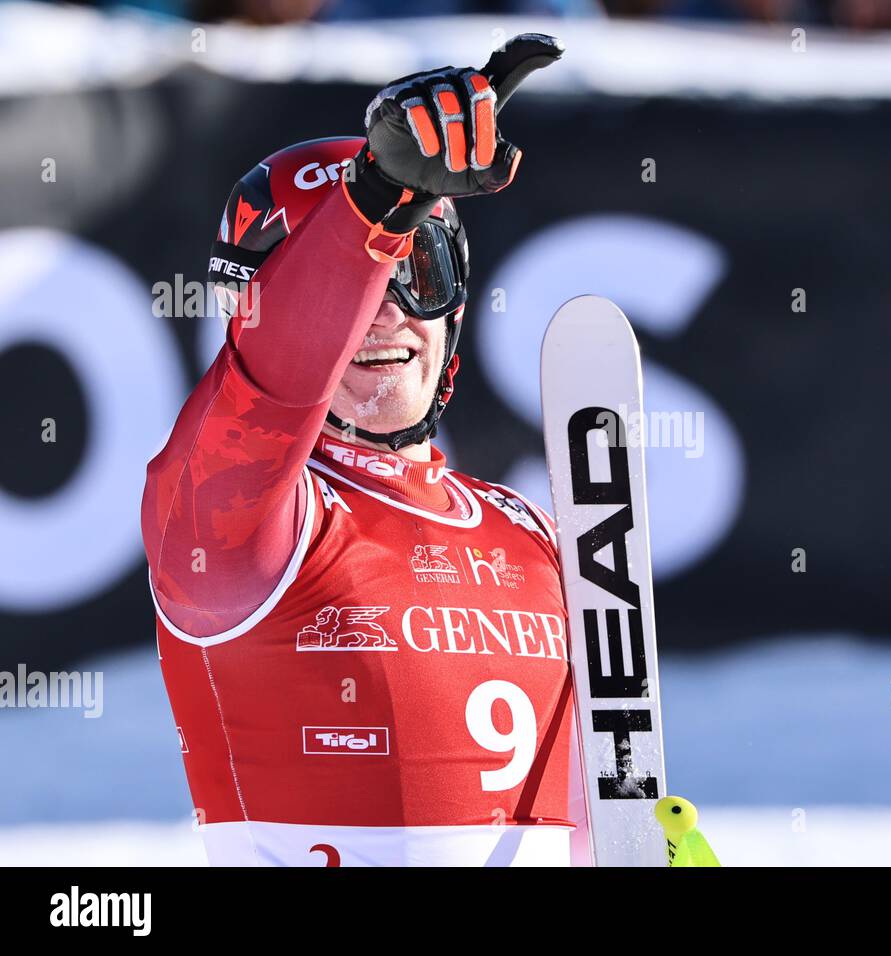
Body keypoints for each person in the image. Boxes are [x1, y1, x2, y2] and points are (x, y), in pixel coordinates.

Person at [140, 35, 590, 866]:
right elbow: (269, 392)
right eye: (354, 284)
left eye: (418, 269)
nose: (384, 313)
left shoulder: (533, 532)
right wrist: (371, 209)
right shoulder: (235, 534)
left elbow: (590, 816)